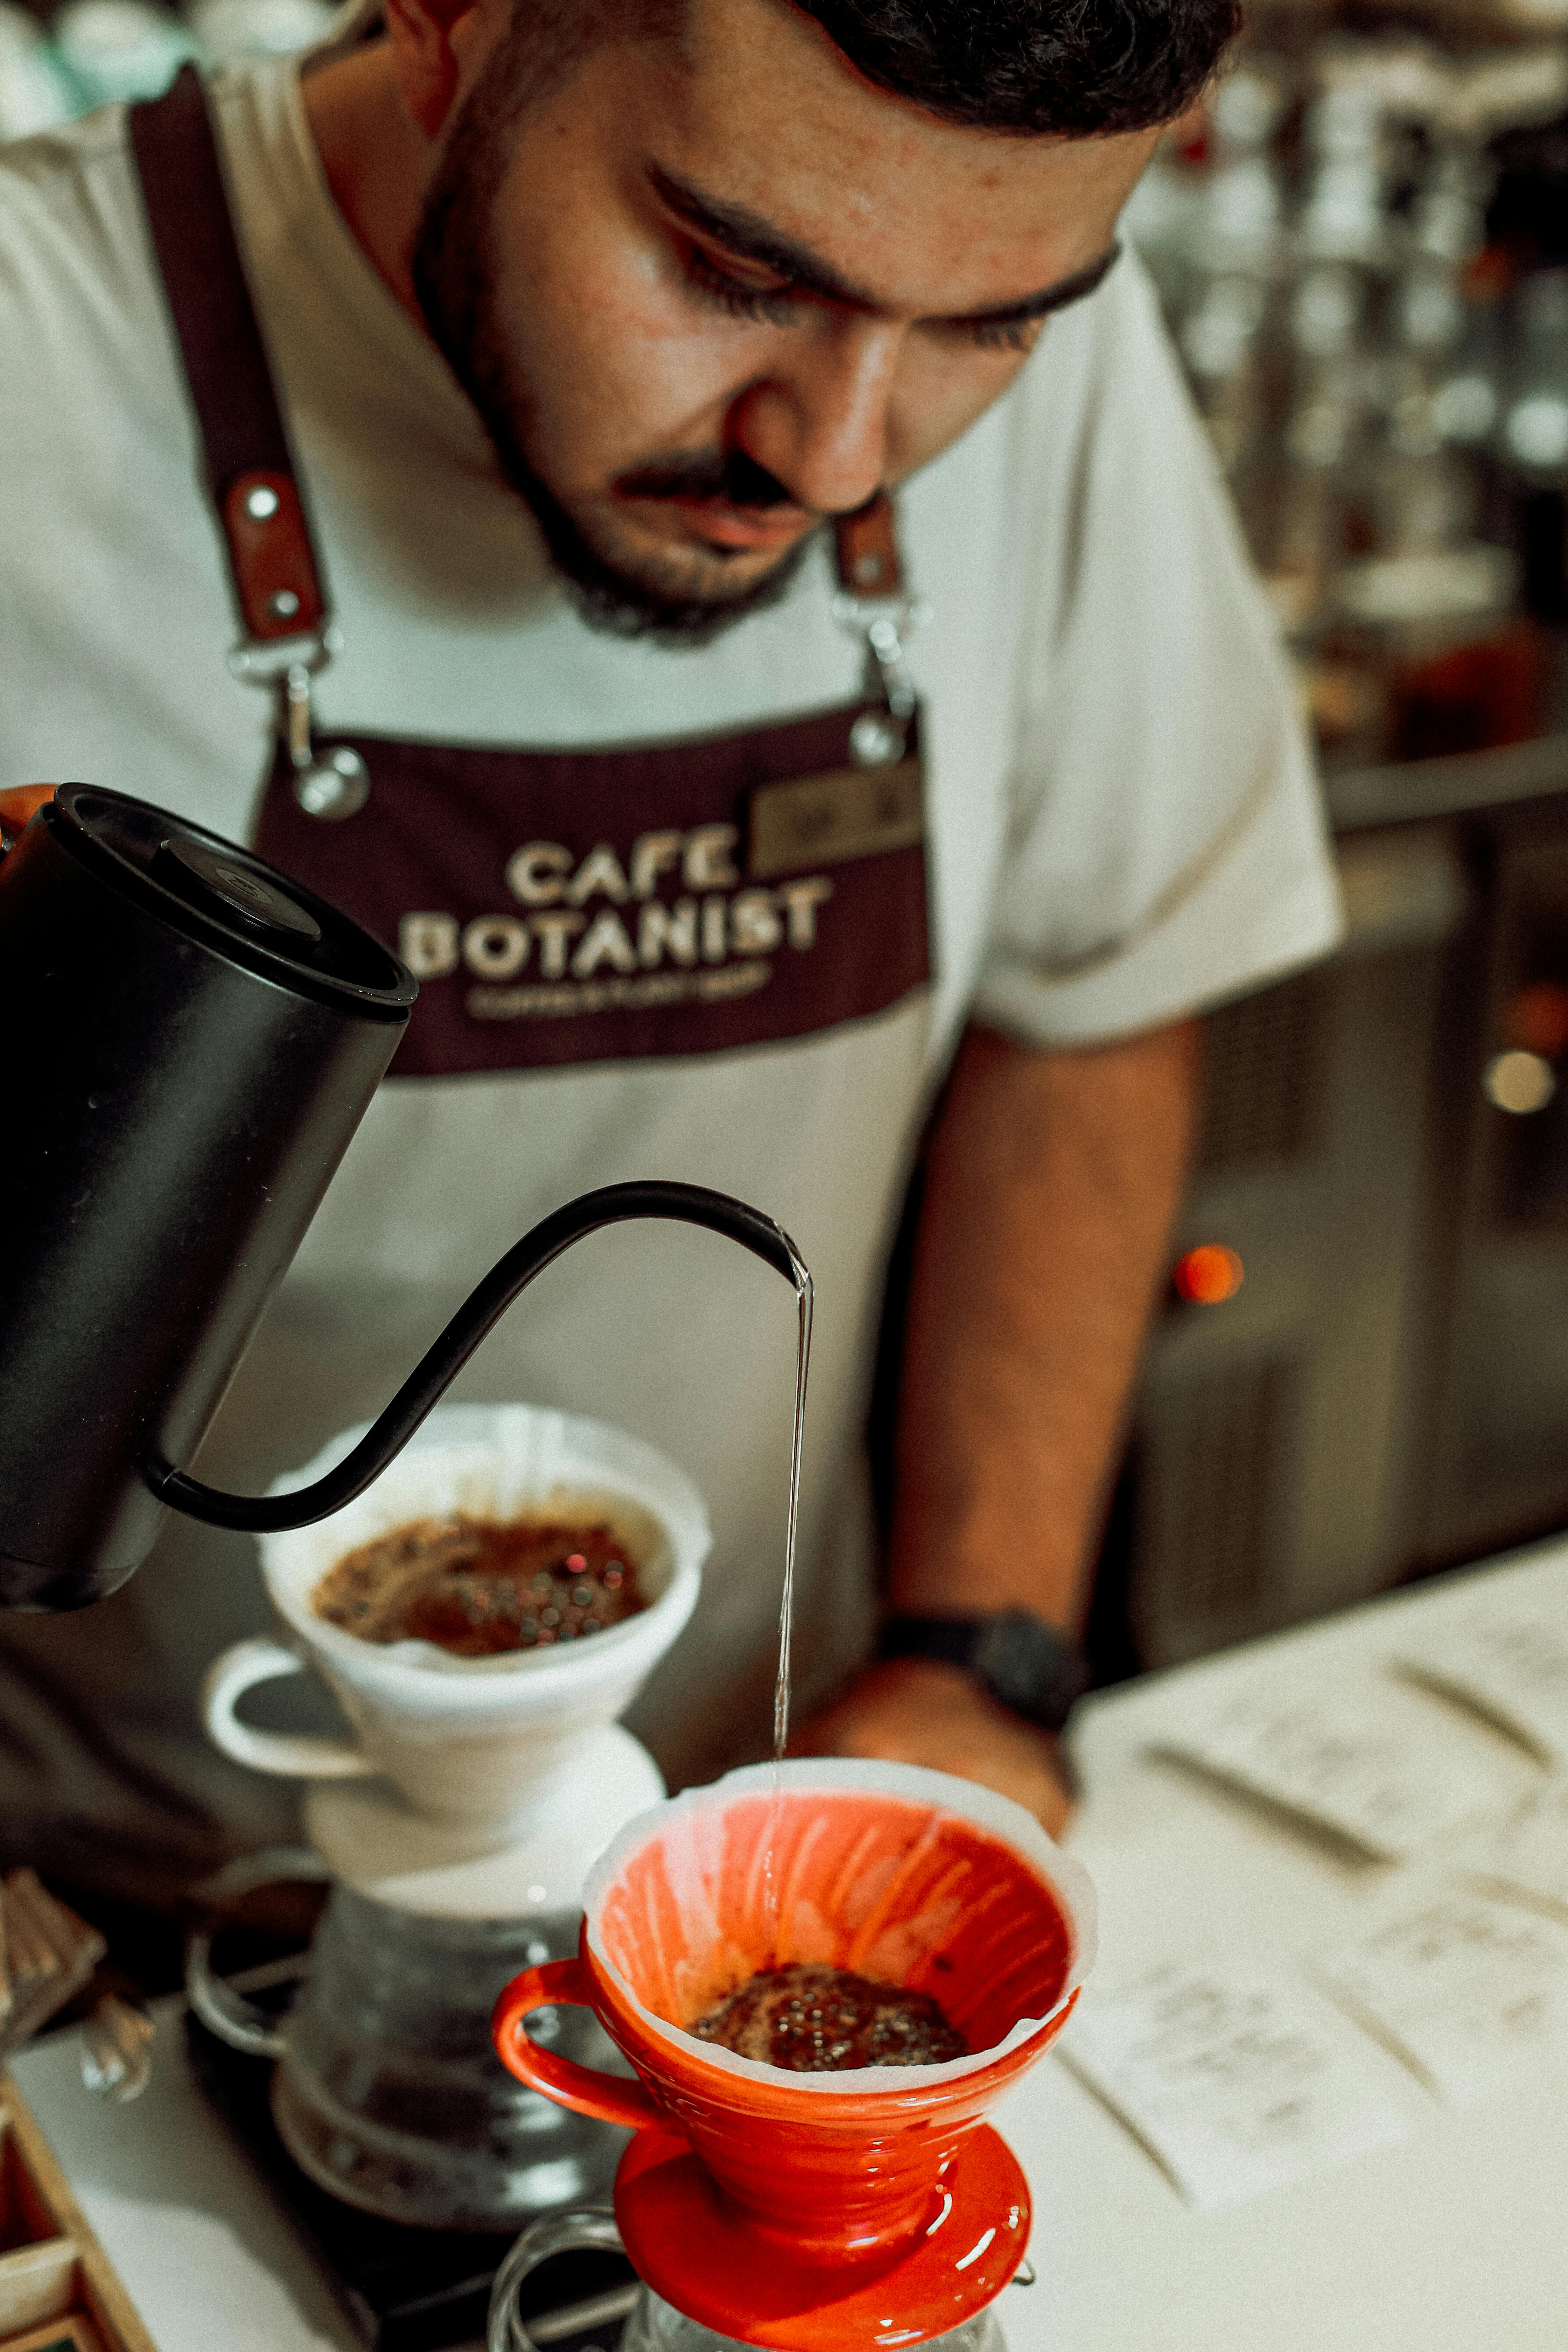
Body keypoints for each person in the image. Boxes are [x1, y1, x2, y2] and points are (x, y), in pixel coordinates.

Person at [0, 0, 1341, 1924]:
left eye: (988, 329)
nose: (841, 456)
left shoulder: (998, 260)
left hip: (733, 1869)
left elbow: (1094, 994)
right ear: (452, 26)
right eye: (730, 273)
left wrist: (981, 1658)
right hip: (94, 1916)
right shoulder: (35, 360)